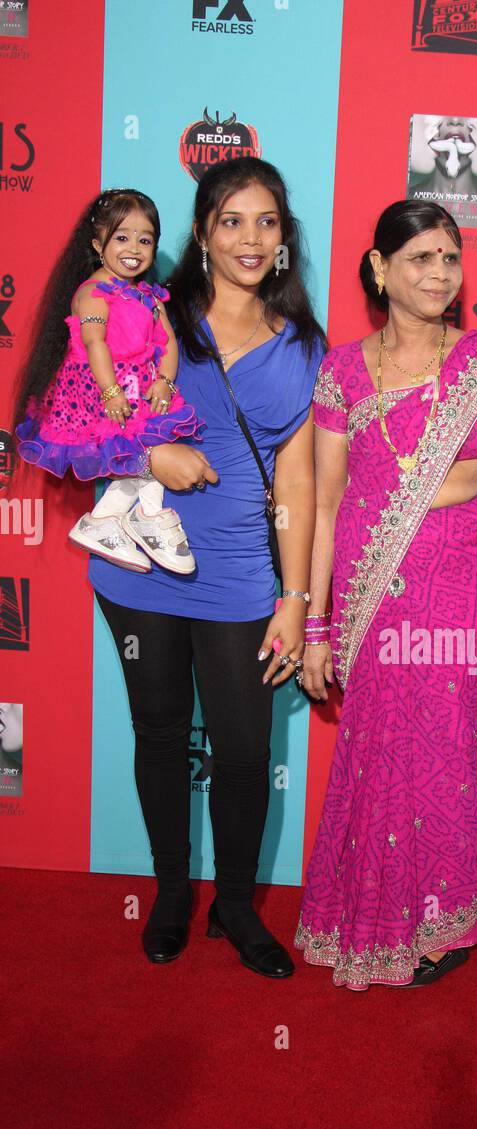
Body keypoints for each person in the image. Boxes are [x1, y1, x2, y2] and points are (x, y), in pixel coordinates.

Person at [62, 158, 322, 976]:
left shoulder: (301, 346)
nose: (250, 238)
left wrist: (295, 597)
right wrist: (149, 447)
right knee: (163, 731)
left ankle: (237, 906)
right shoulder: (148, 310)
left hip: (244, 573)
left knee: (245, 750)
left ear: (284, 240)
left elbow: (300, 481)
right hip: (143, 562)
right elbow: (71, 406)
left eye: (267, 222)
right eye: (232, 221)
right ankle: (173, 890)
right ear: (203, 233)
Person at [296, 200, 477, 991]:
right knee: (371, 755)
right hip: (371, 598)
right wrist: (320, 626)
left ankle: (443, 919)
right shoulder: (341, 371)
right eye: (420, 259)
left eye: (450, 258)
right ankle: (367, 917)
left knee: (441, 760)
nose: (439, 275)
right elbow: (325, 503)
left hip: (459, 598)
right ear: (379, 268)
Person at [14, 188, 204, 574]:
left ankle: (111, 519)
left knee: (148, 449)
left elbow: (167, 342)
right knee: (140, 454)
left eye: (145, 239)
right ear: (98, 244)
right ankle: (143, 515)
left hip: (139, 390)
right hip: (96, 396)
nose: (134, 247)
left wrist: (165, 380)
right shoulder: (93, 294)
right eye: (122, 237)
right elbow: (94, 343)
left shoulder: (149, 295)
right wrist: (111, 392)